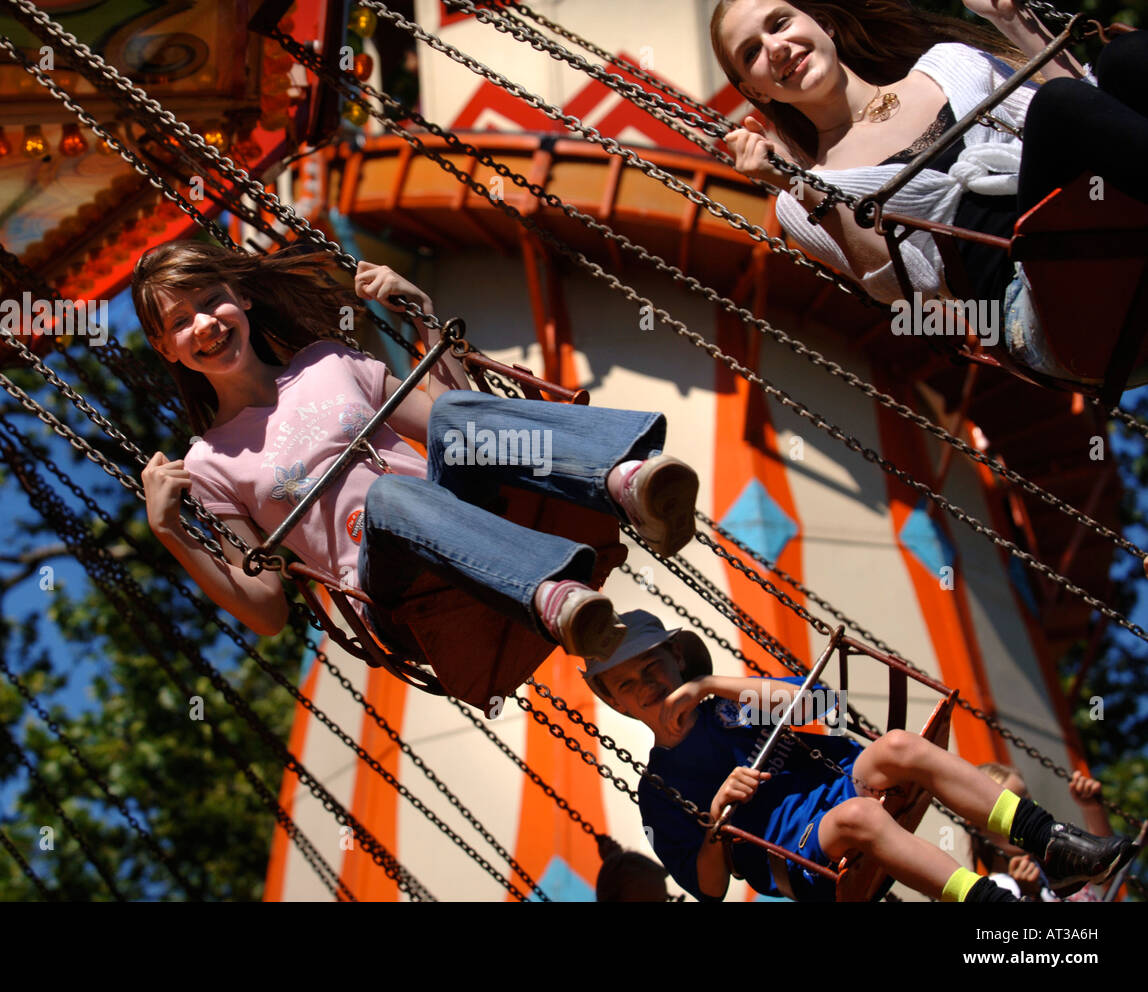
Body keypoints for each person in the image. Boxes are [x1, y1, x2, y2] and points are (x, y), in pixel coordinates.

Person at [134, 240, 700, 670]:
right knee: (391, 496)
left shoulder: (329, 363)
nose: (204, 324)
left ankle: (627, 481)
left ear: (243, 297)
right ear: (165, 349)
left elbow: (461, 426)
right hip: (394, 596)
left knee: (450, 416)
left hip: (467, 517)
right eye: (180, 322)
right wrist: (171, 533)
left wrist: (425, 317)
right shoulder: (210, 464)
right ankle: (552, 595)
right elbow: (267, 610)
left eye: (211, 302)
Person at [712, 0, 1148, 384]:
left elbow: (1098, 114)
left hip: (1108, 225)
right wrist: (797, 183)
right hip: (1036, 308)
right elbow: (912, 293)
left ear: (822, 24)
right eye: (751, 53)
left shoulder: (950, 64)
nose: (776, 48)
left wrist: (1013, 21)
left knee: (1125, 59)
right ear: (754, 90)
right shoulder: (804, 191)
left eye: (780, 23)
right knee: (1057, 106)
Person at [584, 609, 1137, 902]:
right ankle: (990, 906)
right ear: (614, 702)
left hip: (843, 780)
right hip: (797, 854)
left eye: (652, 667)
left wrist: (709, 685)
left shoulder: (727, 707)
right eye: (627, 684)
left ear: (677, 658)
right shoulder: (658, 787)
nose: (646, 685)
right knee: (861, 816)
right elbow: (709, 887)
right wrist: (714, 823)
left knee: (897, 745)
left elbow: (823, 701)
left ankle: (1050, 842)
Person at [973, 763, 1116, 901]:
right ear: (980, 828)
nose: (1023, 817)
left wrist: (1093, 809)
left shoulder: (1055, 863)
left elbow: (1109, 873)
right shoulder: (997, 888)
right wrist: (1029, 894)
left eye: (1026, 803)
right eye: (1008, 813)